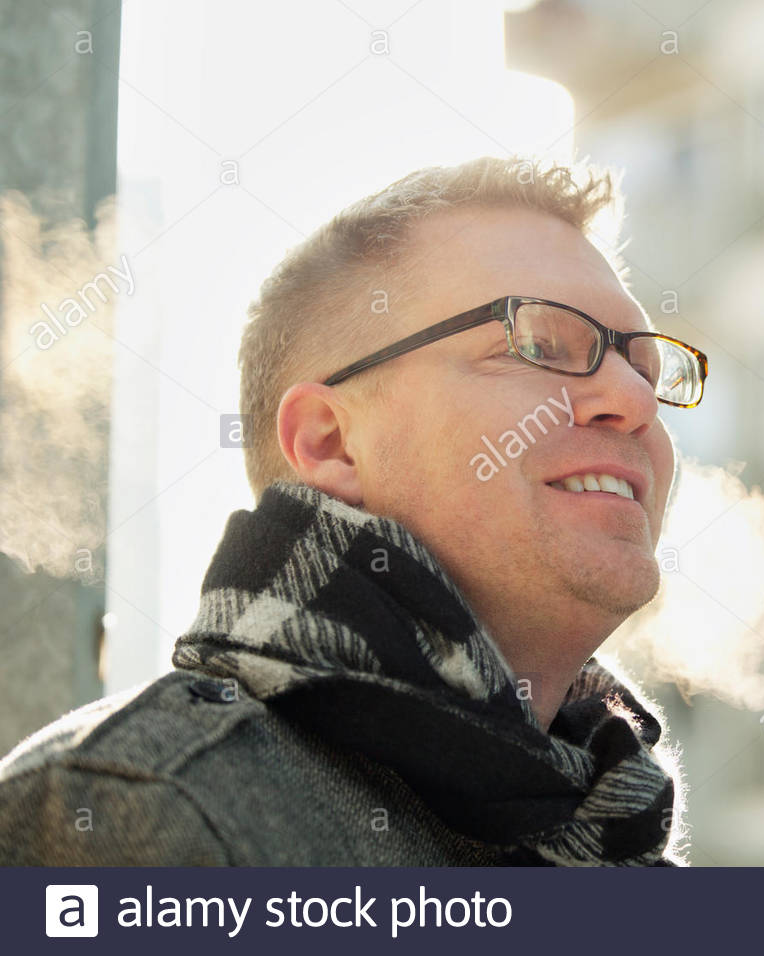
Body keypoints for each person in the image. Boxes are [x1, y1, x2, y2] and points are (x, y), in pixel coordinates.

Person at [0, 156, 708, 866]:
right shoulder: (138, 812)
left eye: (645, 370)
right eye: (542, 344)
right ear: (332, 443)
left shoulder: (633, 856)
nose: (638, 401)